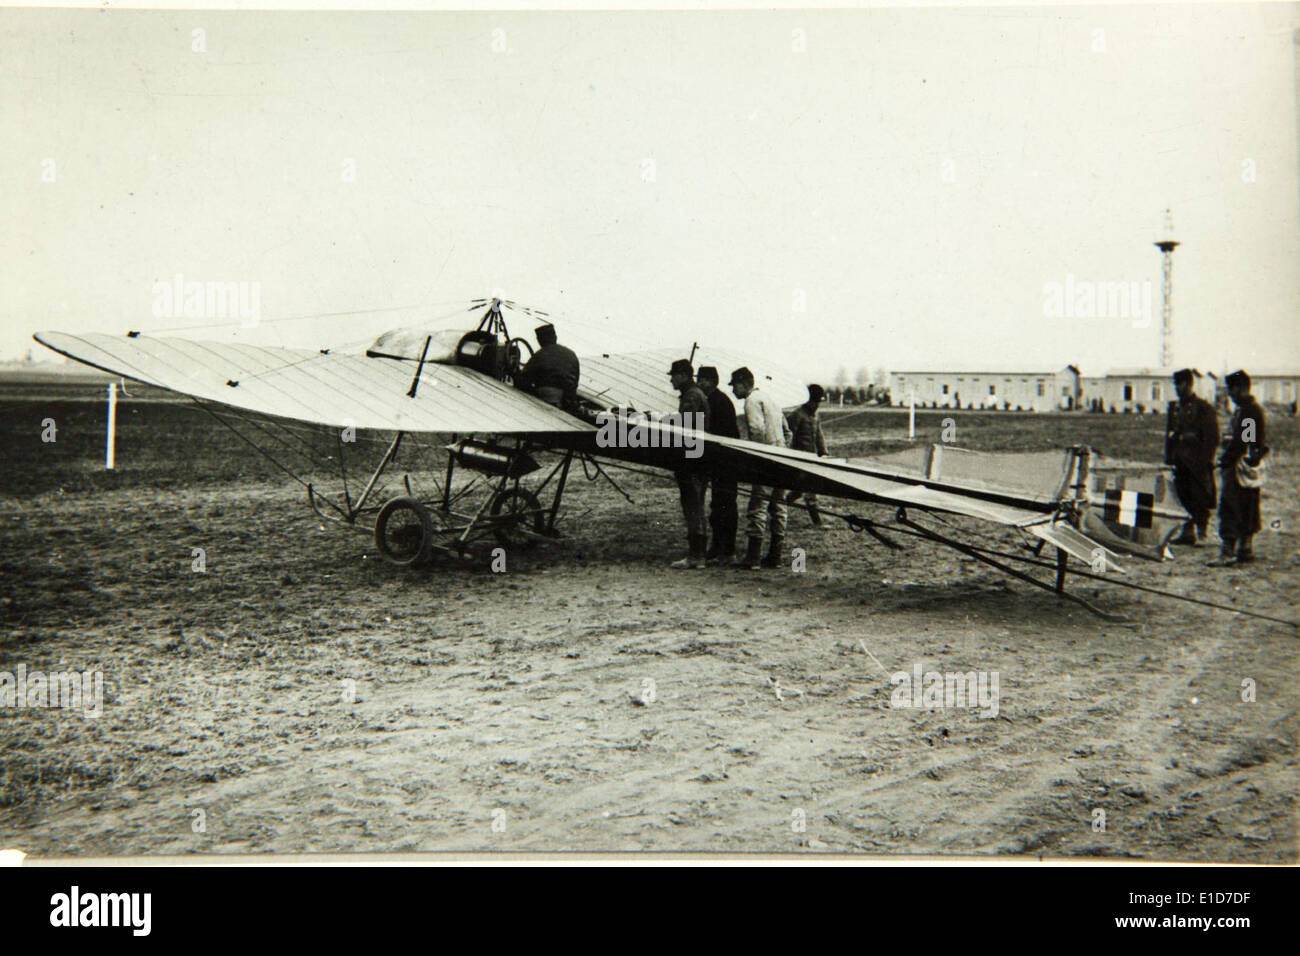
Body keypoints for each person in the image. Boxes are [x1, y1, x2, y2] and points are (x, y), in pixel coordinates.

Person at [729, 366, 788, 570]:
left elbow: (756, 429)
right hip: (783, 456)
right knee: (779, 507)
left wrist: (757, 457)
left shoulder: (751, 401)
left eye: (735, 385)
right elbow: (786, 430)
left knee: (758, 507)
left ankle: (753, 558)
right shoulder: (769, 398)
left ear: (744, 384)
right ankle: (775, 556)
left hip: (766, 459)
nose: (733, 390)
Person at [1210, 370, 1268, 566]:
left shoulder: (1250, 411)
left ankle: (1228, 551)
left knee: (1232, 506)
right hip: (1245, 466)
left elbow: (1246, 441)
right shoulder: (1245, 410)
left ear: (1242, 388)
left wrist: (1225, 459)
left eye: (1232, 390)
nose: (1230, 394)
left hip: (1240, 467)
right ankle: (1245, 548)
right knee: (1248, 506)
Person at [1163, 369, 1218, 545]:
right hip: (1180, 461)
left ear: (1189, 384)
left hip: (1197, 462)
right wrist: (1169, 458)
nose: (1177, 387)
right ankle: (1187, 532)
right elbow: (1170, 435)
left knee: (1199, 497)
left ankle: (1202, 534)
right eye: (1175, 384)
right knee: (1182, 496)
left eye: (1180, 384)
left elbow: (1211, 437)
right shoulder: (1175, 407)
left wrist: (1205, 459)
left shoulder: (1203, 407)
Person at [668, 359, 711, 569]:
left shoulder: (691, 396)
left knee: (692, 506)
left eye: (674, 375)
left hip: (691, 458)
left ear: (684, 375)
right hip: (698, 457)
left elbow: (686, 426)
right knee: (696, 506)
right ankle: (698, 555)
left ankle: (696, 556)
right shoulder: (694, 394)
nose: (671, 379)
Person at [697, 366, 739, 564]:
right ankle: (720, 547)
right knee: (719, 504)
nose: (699, 383)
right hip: (723, 460)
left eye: (702, 380)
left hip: (725, 460)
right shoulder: (716, 399)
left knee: (725, 505)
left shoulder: (717, 401)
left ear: (711, 381)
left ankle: (726, 550)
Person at [785, 384, 830, 527]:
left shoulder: (815, 416)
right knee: (810, 491)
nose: (816, 405)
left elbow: (819, 435)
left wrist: (823, 452)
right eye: (814, 402)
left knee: (798, 492)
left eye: (818, 402)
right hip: (800, 461)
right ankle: (817, 522)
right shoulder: (796, 415)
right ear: (806, 400)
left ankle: (777, 507)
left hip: (812, 459)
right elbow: (788, 437)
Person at [516, 323, 579, 410]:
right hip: (568, 396)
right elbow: (575, 380)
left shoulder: (540, 354)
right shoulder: (571, 354)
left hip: (547, 394)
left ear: (540, 340)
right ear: (555, 337)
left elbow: (524, 379)